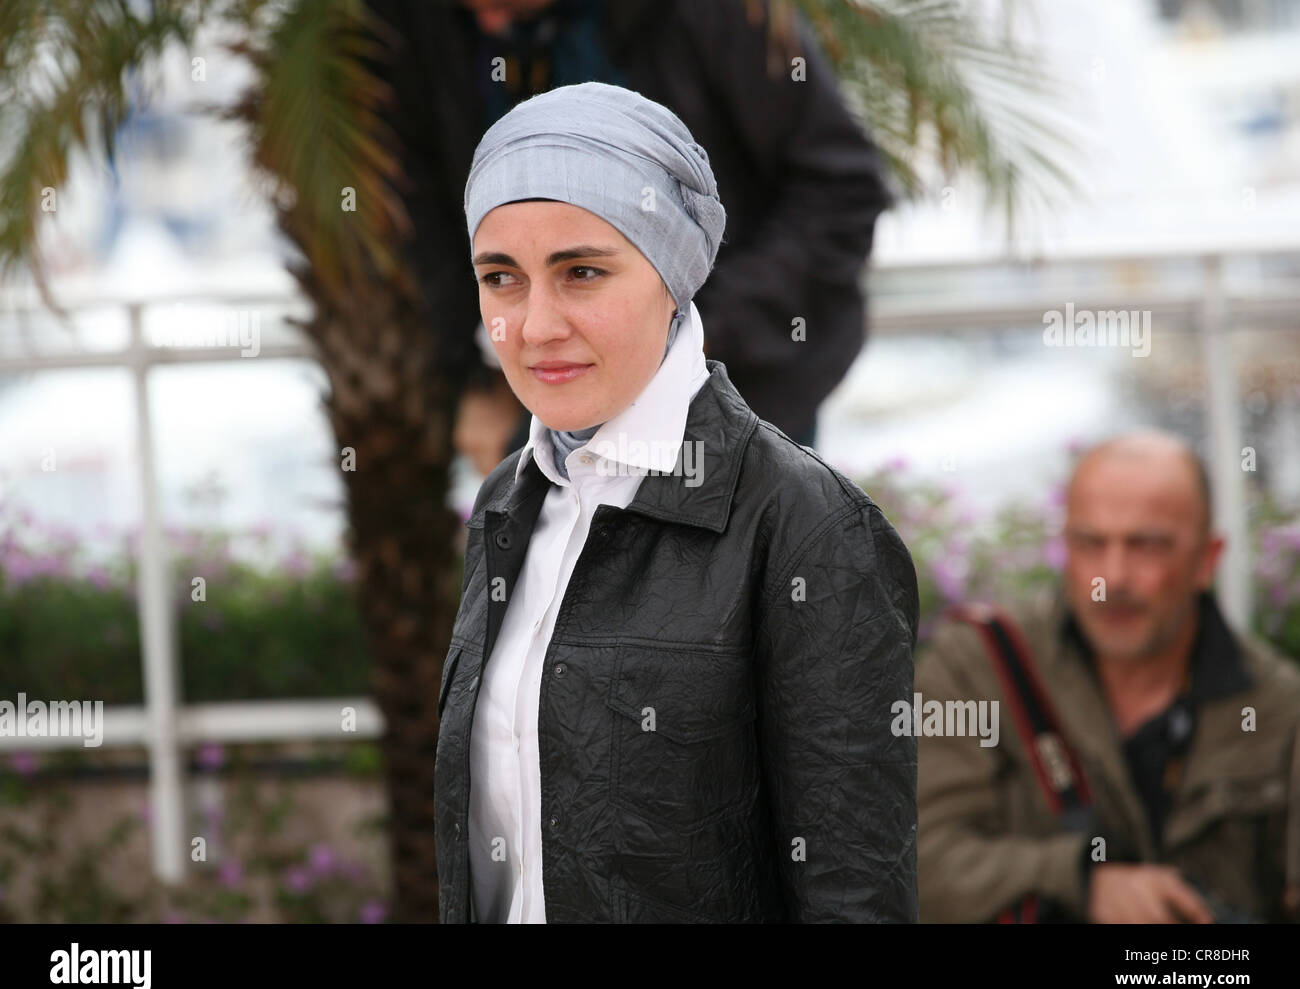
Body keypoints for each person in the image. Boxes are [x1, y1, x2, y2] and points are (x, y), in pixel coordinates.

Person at [432, 82, 919, 923]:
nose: (536, 324)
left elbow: (856, 896)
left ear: (673, 275)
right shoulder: (507, 501)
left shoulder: (804, 527)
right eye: (501, 277)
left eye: (581, 272)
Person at [366, 0, 892, 466]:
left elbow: (840, 188)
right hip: (543, 406)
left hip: (736, 384)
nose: (485, 15)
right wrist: (478, 378)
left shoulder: (714, 14)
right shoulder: (416, 21)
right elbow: (424, 221)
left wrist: (689, 339)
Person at [916, 431, 1300, 923]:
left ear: (1206, 560)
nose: (1112, 578)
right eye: (1090, 543)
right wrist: (1079, 882)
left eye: (1146, 545)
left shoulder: (1276, 708)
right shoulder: (975, 666)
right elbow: (911, 860)